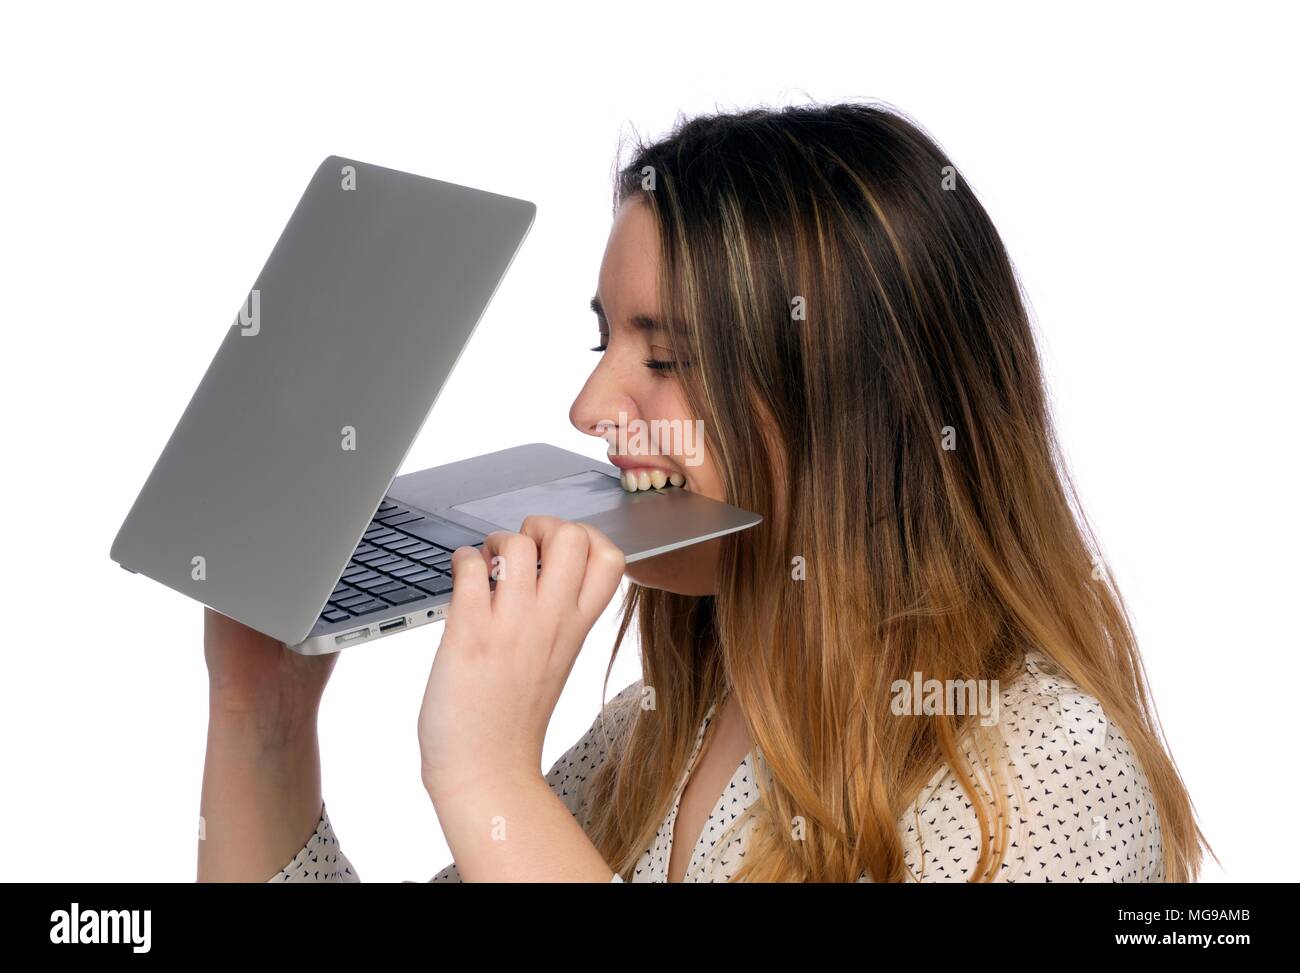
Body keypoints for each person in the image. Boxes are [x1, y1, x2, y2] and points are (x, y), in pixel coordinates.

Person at [198, 102, 1210, 883]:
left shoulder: (1042, 773)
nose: (590, 405)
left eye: (669, 356)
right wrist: (260, 709)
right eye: (605, 340)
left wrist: (485, 773)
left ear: (867, 405)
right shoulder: (645, 739)